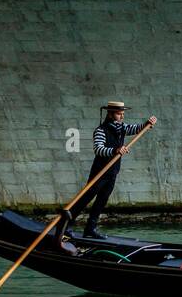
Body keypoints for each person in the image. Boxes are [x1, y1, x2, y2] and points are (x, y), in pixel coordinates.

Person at [67, 100, 156, 239]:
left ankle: (90, 229)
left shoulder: (121, 128)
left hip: (113, 172)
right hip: (100, 171)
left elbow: (135, 129)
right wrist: (116, 150)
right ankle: (66, 226)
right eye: (119, 114)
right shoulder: (100, 130)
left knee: (102, 200)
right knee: (86, 198)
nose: (122, 116)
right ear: (110, 114)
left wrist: (147, 124)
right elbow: (98, 149)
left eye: (123, 114)